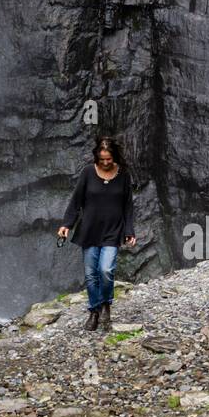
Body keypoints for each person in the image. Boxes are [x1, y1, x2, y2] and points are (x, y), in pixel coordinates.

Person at [57, 136, 136, 332]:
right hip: (89, 230)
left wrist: (129, 230)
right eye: (102, 159)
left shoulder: (123, 175)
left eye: (109, 159)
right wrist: (66, 224)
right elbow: (76, 201)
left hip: (113, 230)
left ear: (114, 157)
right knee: (91, 275)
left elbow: (128, 205)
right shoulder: (87, 173)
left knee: (106, 270)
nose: (106, 163)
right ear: (97, 158)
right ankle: (94, 311)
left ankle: (106, 304)